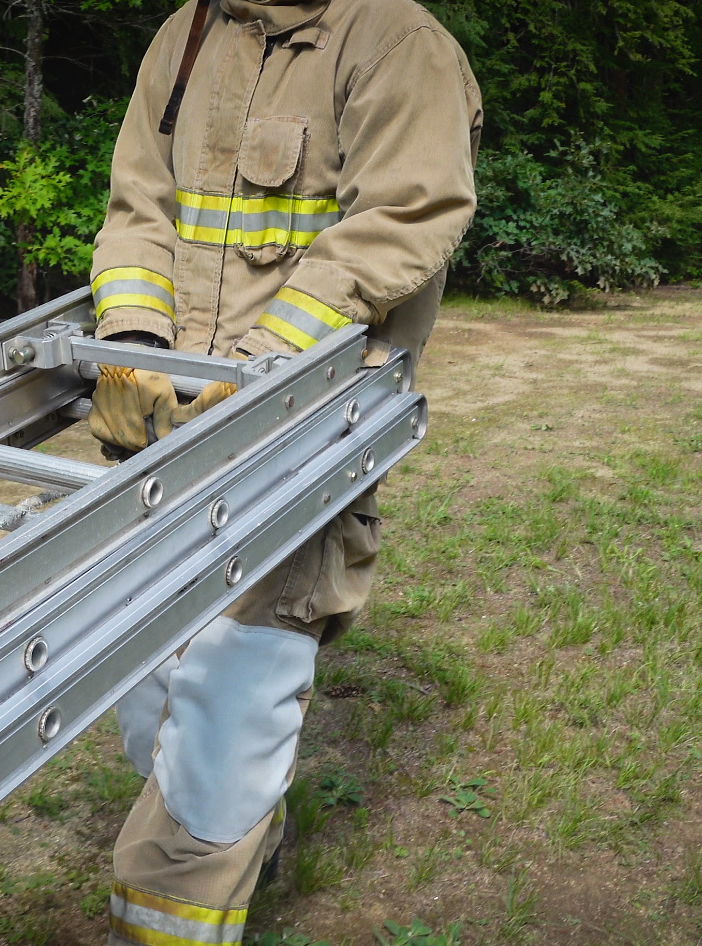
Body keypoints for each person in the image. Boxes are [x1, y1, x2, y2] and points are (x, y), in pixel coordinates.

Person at [84, 0, 481, 940]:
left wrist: (263, 371)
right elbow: (138, 204)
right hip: (167, 434)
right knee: (144, 674)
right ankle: (236, 836)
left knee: (230, 699)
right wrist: (134, 343)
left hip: (298, 430)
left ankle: (173, 916)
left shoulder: (397, 42)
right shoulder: (187, 33)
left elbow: (405, 217)